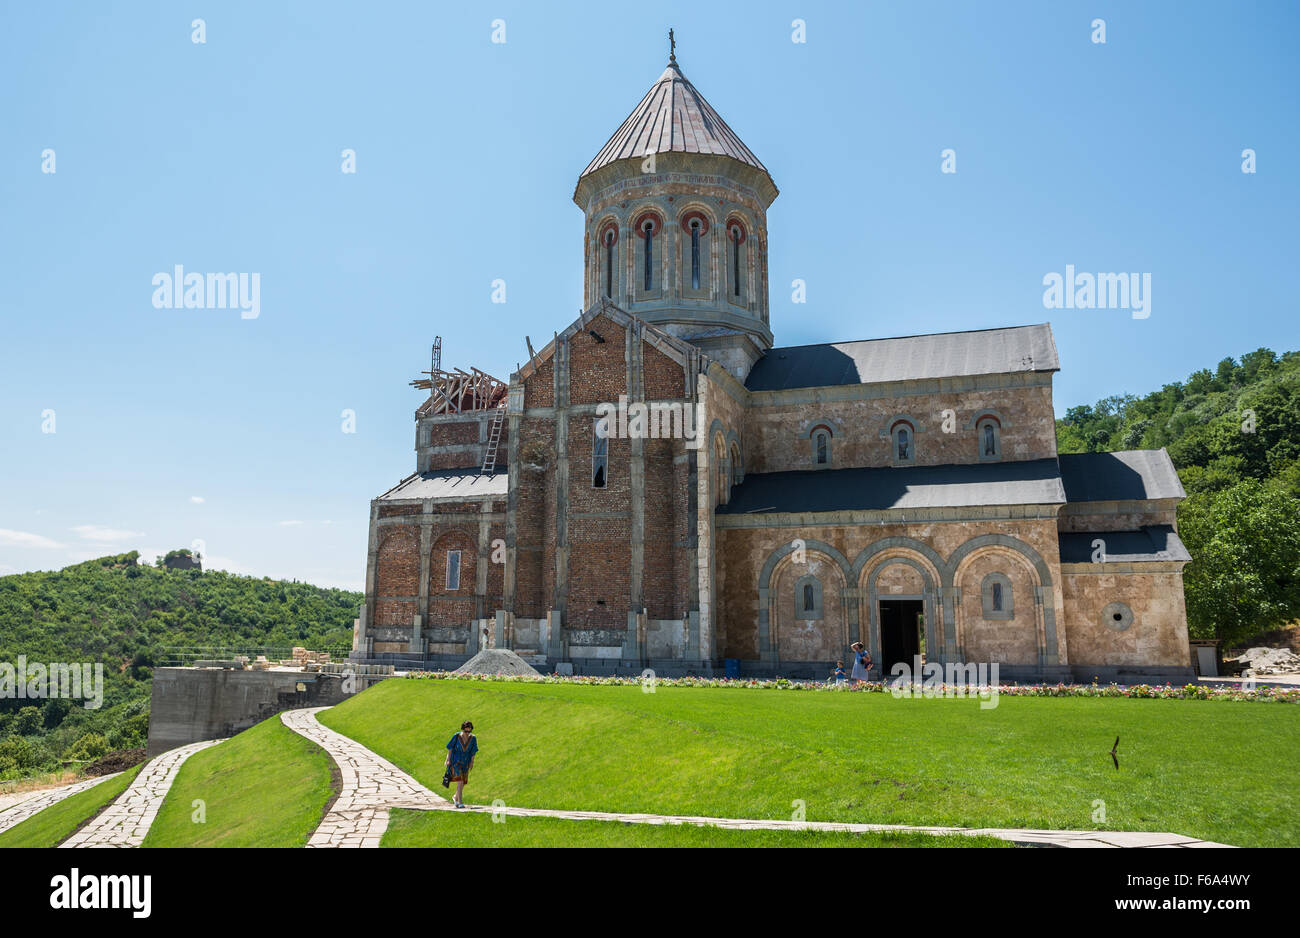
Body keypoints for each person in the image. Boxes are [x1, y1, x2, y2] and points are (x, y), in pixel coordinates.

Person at [444, 720, 478, 808]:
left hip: (465, 762)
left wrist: (472, 762)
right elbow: (450, 748)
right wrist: (448, 760)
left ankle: (455, 797)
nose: (467, 733)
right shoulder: (456, 736)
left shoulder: (473, 738)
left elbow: (473, 752)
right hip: (456, 761)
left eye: (469, 731)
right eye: (466, 731)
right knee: (460, 781)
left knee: (463, 782)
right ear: (462, 729)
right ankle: (460, 802)